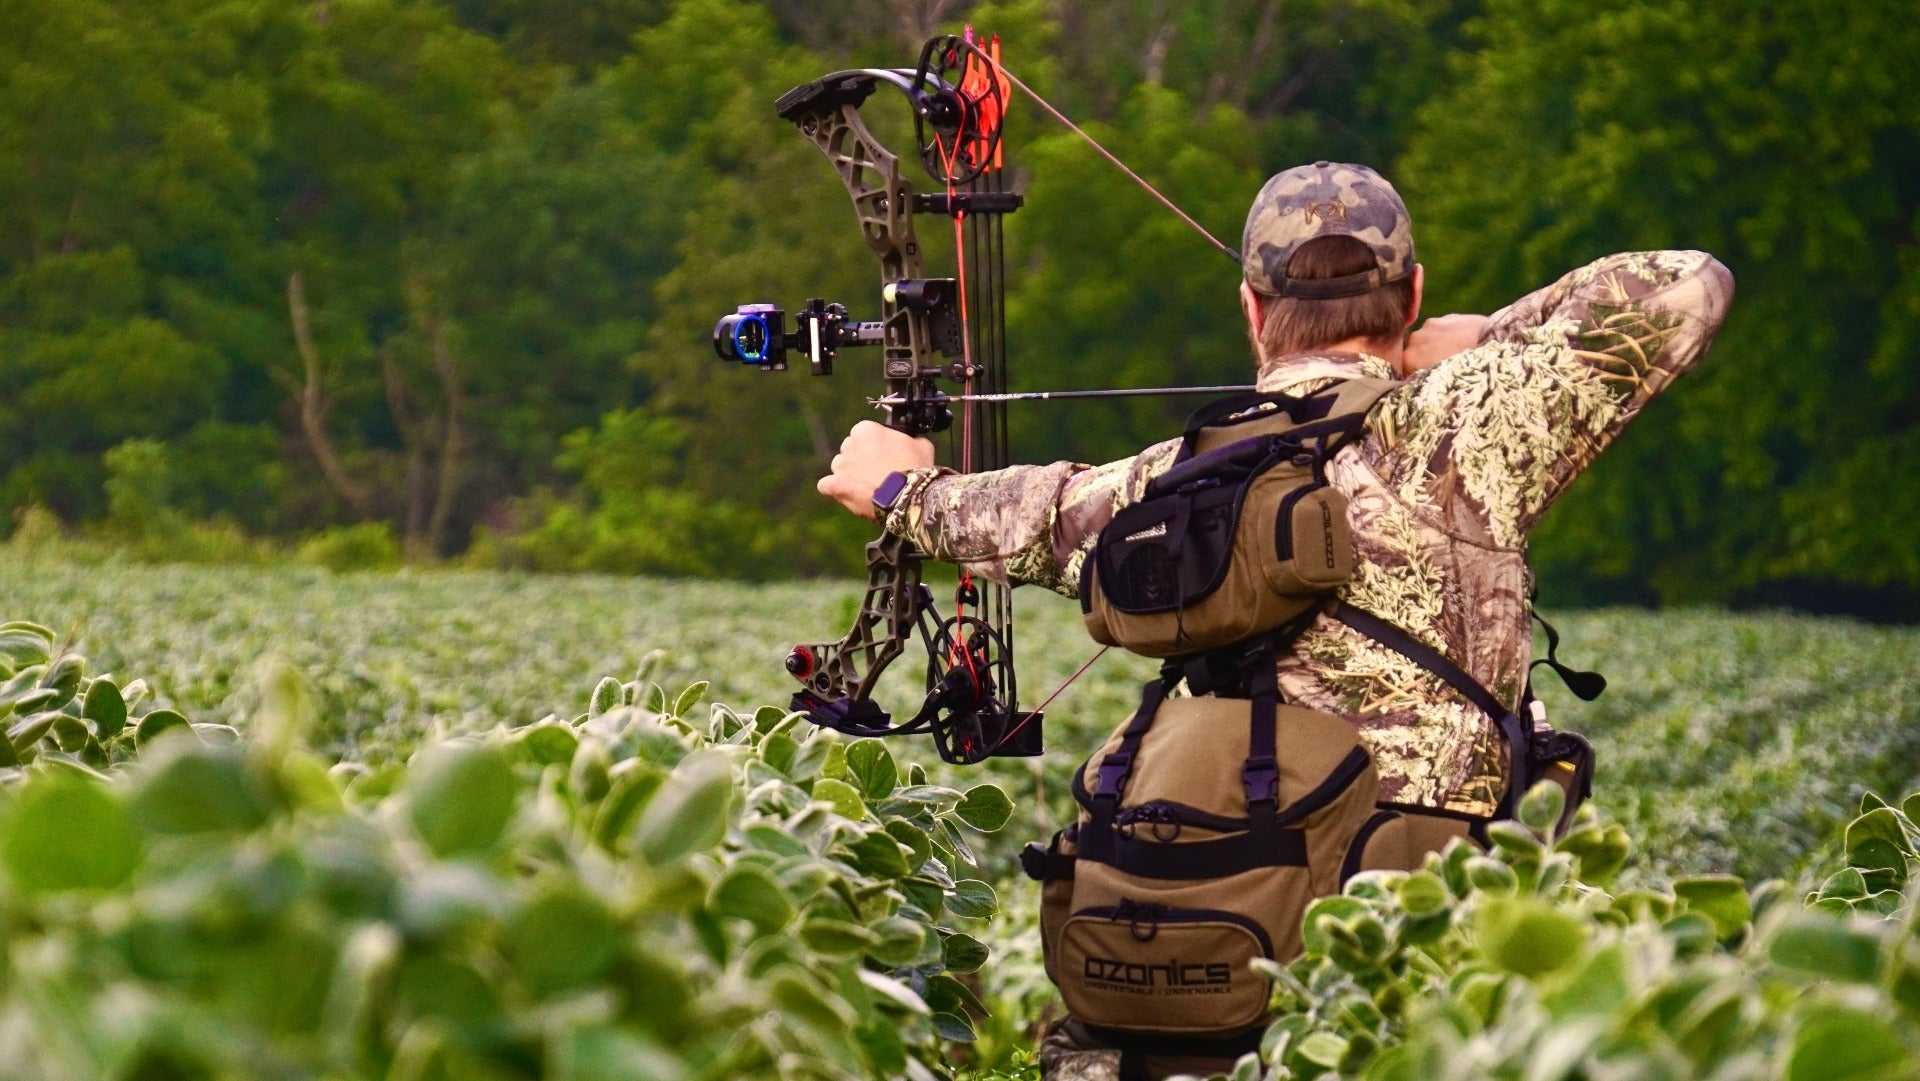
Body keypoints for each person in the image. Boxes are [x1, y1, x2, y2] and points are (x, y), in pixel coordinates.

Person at [818, 160, 1734, 1078]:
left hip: (1219, 954)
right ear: (1411, 294)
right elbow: (1686, 283)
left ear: (1253, 311)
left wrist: (903, 485)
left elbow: (1037, 512)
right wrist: (1487, 336)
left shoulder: (1174, 476)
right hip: (1401, 962)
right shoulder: (1464, 425)